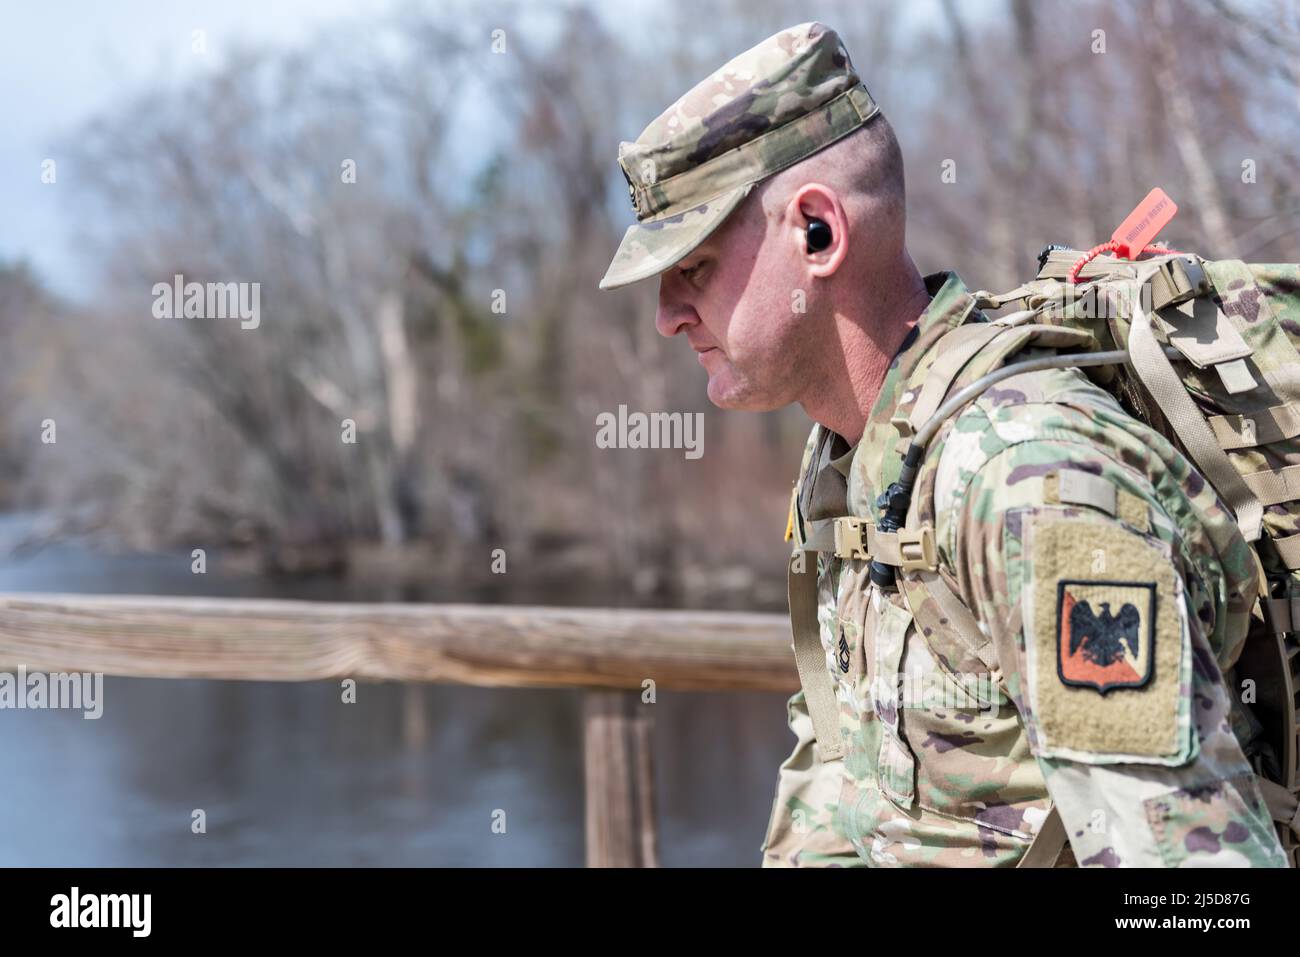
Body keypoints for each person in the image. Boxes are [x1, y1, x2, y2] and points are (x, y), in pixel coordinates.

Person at [598, 21, 1289, 867]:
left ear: (817, 232)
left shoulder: (1029, 481)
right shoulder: (851, 464)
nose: (667, 314)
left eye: (694, 267)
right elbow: (841, 786)